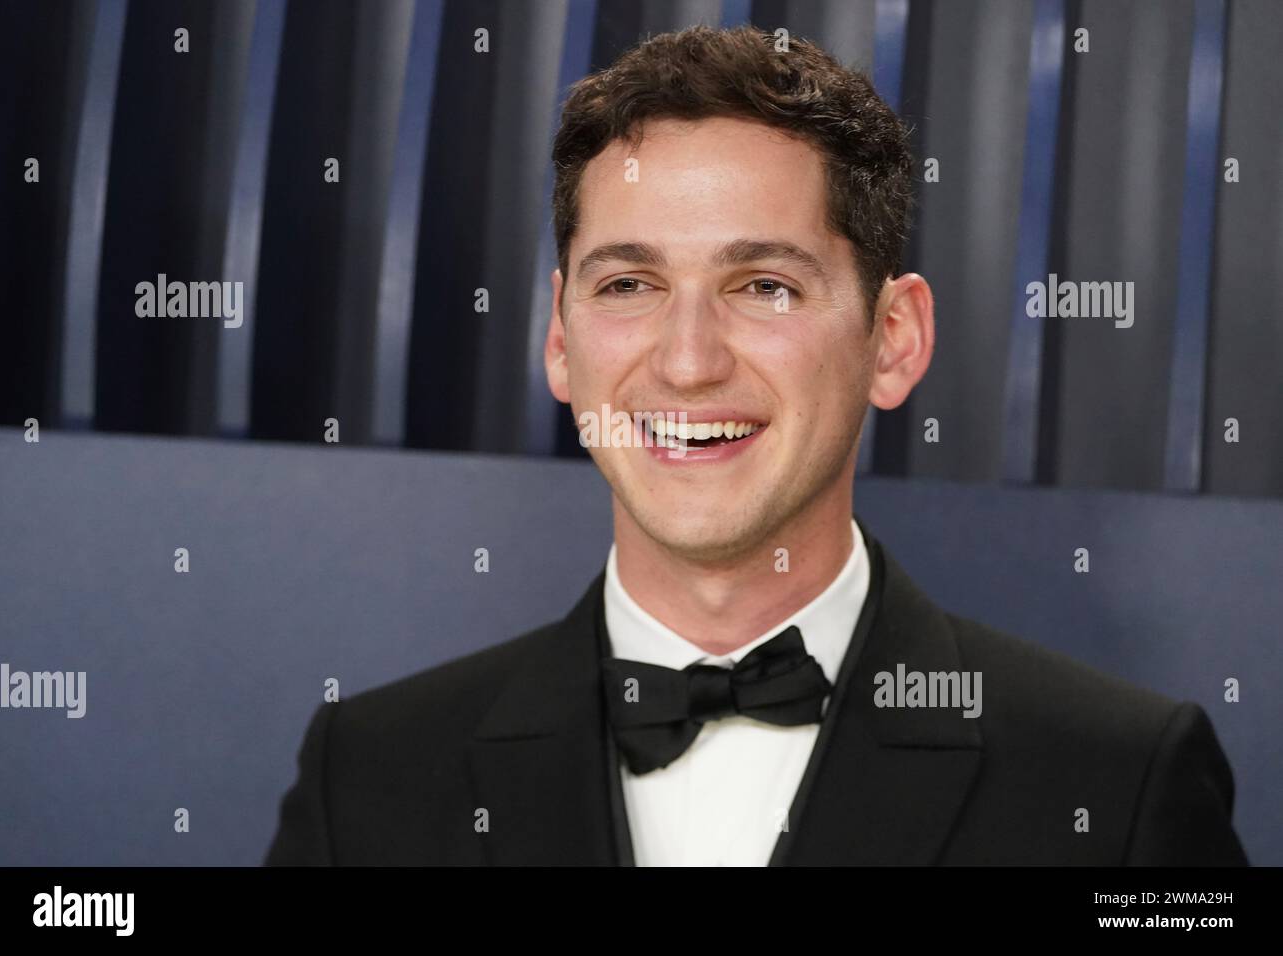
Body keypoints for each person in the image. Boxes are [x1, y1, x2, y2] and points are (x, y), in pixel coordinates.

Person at [265, 24, 1247, 866]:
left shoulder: (1117, 783)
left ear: (893, 340)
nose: (687, 362)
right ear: (560, 341)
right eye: (628, 285)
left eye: (765, 286)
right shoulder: (368, 779)